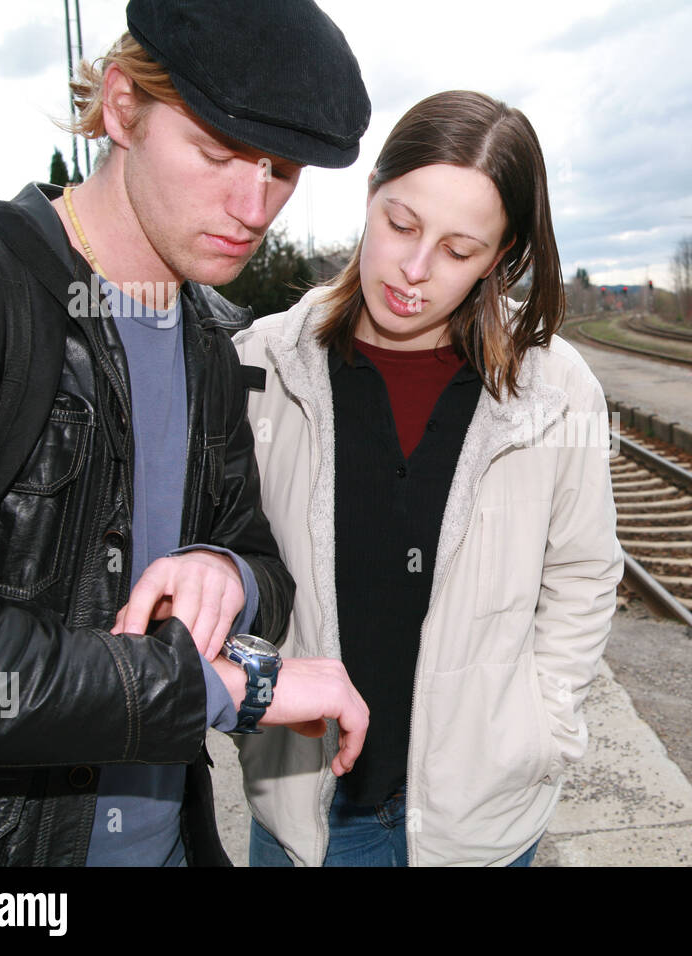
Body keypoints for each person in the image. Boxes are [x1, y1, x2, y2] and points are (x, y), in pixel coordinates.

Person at [0, 0, 371, 866]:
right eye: (216, 153)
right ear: (122, 108)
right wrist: (229, 687)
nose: (253, 205)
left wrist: (222, 572)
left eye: (282, 170)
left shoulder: (212, 336)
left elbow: (262, 562)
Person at [232, 90, 624, 867]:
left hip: (481, 828)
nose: (413, 270)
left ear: (502, 257)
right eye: (402, 224)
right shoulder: (261, 363)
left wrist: (542, 730)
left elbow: (583, 571)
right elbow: (224, 558)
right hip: (304, 823)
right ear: (371, 192)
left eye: (458, 250)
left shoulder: (557, 387)